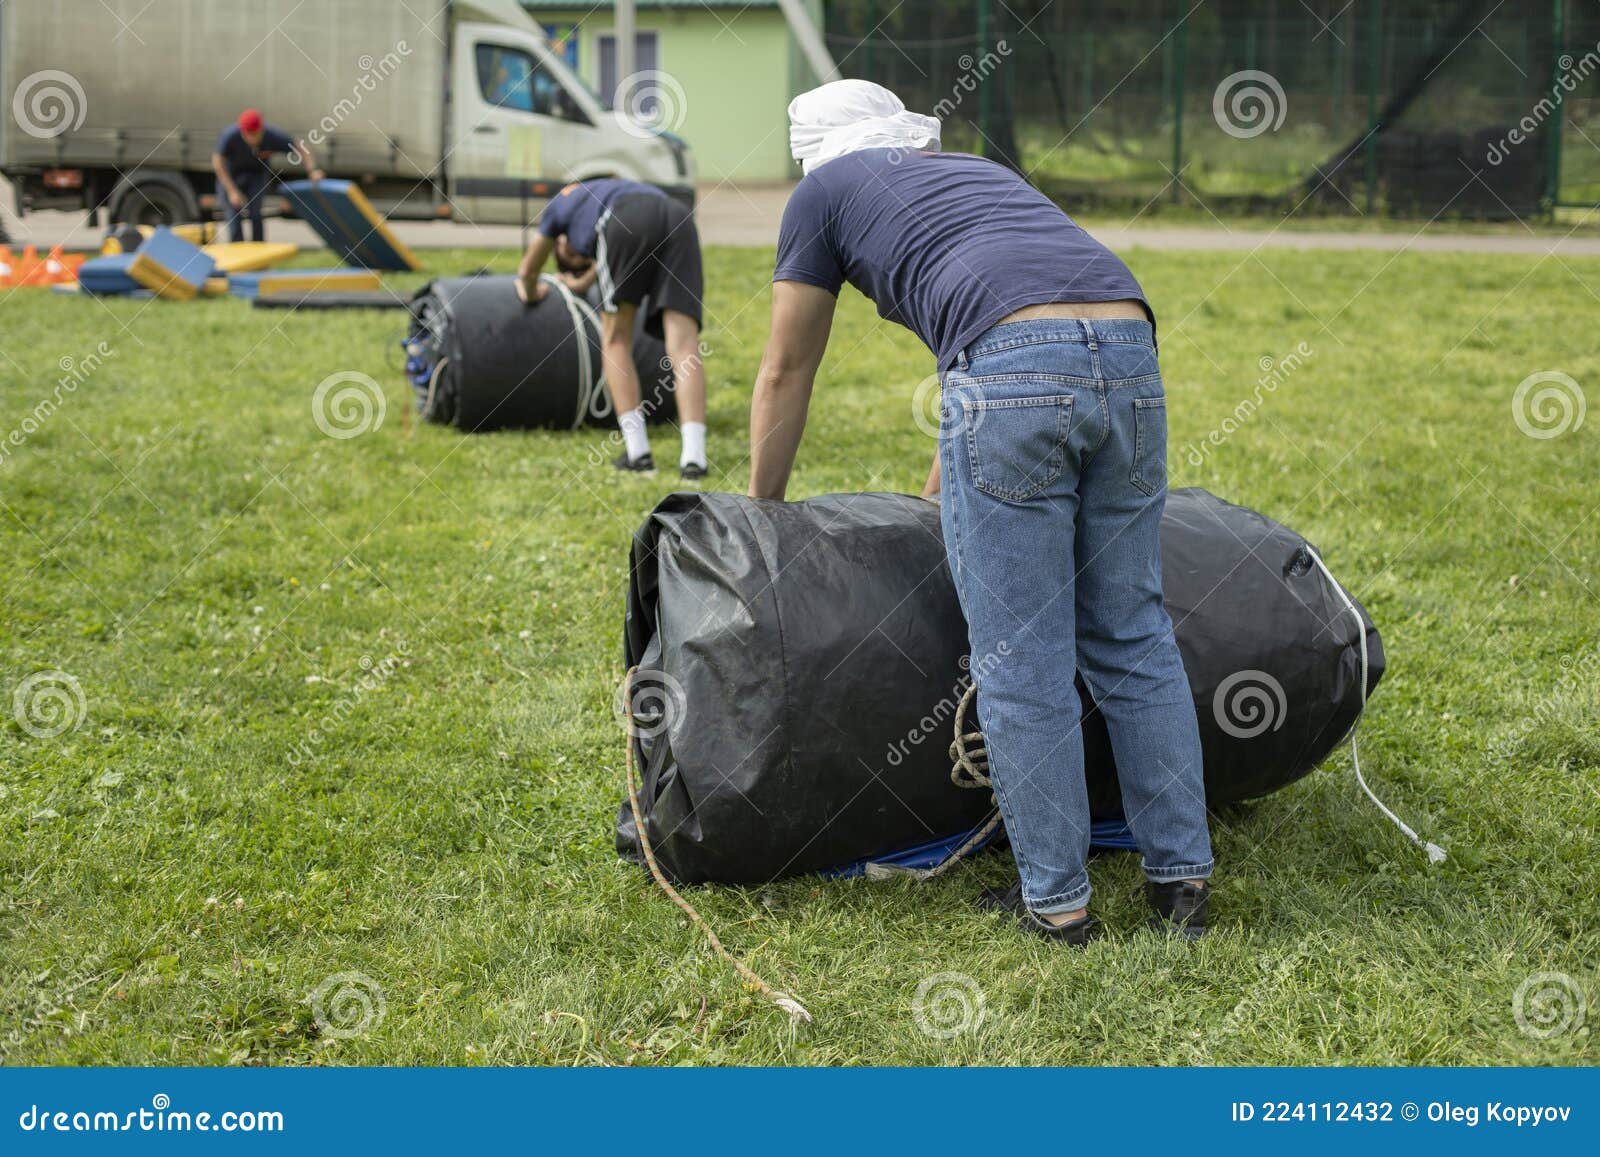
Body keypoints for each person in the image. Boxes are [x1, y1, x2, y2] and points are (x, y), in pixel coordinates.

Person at [746, 80, 1214, 943]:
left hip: (1010, 369)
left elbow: (786, 367)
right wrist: (951, 478)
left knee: (1021, 652)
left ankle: (1059, 904)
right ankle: (1180, 884)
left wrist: (758, 516)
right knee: (1132, 632)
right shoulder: (972, 174)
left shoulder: (822, 195)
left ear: (818, 154)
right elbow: (1010, 326)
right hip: (1129, 345)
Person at [516, 179, 708, 479]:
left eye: (575, 260)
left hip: (621, 217)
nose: (580, 259)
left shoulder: (556, 210)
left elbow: (528, 269)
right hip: (677, 215)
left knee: (615, 339)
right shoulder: (595, 194)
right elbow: (614, 258)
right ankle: (694, 460)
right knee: (684, 344)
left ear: (562, 243)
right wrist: (584, 280)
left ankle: (638, 454)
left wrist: (530, 292)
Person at [211, 109, 321, 243]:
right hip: (231, 176)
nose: (251, 138)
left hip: (256, 174)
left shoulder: (271, 135)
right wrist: (232, 191)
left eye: (254, 134)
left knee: (256, 214)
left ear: (261, 130)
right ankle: (238, 253)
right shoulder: (230, 135)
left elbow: (302, 147)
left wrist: (312, 170)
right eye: (247, 135)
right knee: (234, 217)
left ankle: (258, 253)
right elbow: (217, 162)